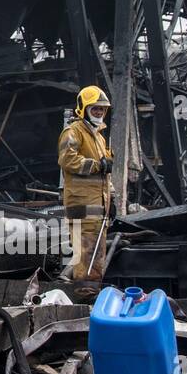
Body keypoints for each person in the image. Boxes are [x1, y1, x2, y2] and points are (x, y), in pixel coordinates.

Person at [57, 85, 113, 282]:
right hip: (82, 203)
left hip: (98, 203)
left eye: (102, 109)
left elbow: (105, 175)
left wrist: (111, 199)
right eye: (95, 108)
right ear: (83, 108)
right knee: (87, 247)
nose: (99, 112)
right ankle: (85, 292)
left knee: (96, 248)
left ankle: (91, 290)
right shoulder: (73, 131)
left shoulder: (98, 136)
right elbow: (67, 159)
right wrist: (96, 165)